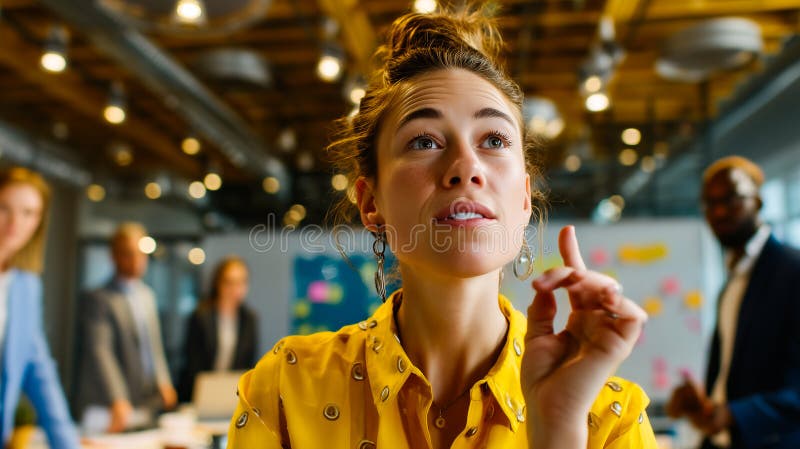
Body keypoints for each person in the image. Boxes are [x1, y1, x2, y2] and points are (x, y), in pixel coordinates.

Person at [228, 6, 655, 448]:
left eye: (494, 140)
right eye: (425, 141)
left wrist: (560, 428)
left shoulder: (607, 421)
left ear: (524, 198)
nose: (466, 167)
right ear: (371, 202)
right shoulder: (285, 393)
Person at [666, 156, 800, 448]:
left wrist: (735, 414)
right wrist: (705, 402)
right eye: (709, 204)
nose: (720, 212)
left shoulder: (792, 271)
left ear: (760, 202)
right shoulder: (733, 279)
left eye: (732, 199)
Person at [0, 167, 80, 449]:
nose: (15, 223)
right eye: (4, 208)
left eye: (28, 213)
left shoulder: (26, 286)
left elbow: (40, 372)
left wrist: (68, 445)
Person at [73, 222, 177, 432]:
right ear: (115, 256)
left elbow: (154, 347)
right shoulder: (99, 298)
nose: (137, 261)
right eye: (129, 253)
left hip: (144, 399)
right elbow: (101, 352)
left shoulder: (148, 295)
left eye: (141, 254)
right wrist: (117, 397)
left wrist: (164, 381)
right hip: (107, 405)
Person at [178, 256, 258, 403]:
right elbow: (192, 363)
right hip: (198, 392)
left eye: (241, 282)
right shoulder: (201, 317)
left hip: (232, 393)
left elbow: (249, 365)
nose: (235, 289)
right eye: (230, 282)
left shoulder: (249, 319)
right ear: (218, 283)